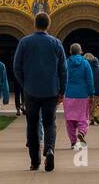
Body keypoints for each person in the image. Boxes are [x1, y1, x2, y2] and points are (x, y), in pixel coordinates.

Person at [12, 11, 66, 172]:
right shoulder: (56, 43)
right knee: (50, 123)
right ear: (48, 25)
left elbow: (16, 67)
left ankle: (34, 161)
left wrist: (25, 84)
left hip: (31, 91)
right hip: (51, 90)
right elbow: (63, 70)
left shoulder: (24, 42)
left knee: (32, 125)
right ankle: (49, 149)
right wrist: (62, 90)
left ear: (35, 24)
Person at [63, 43, 95, 150]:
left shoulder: (66, 63)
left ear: (70, 52)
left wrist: (60, 92)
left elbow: (62, 78)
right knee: (83, 118)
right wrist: (91, 93)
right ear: (81, 51)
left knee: (70, 120)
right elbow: (90, 80)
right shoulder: (85, 64)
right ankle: (81, 132)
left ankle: (73, 142)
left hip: (69, 94)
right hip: (83, 94)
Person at [85, 52, 99, 125]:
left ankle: (92, 118)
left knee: (90, 106)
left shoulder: (87, 70)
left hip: (89, 91)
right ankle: (96, 116)